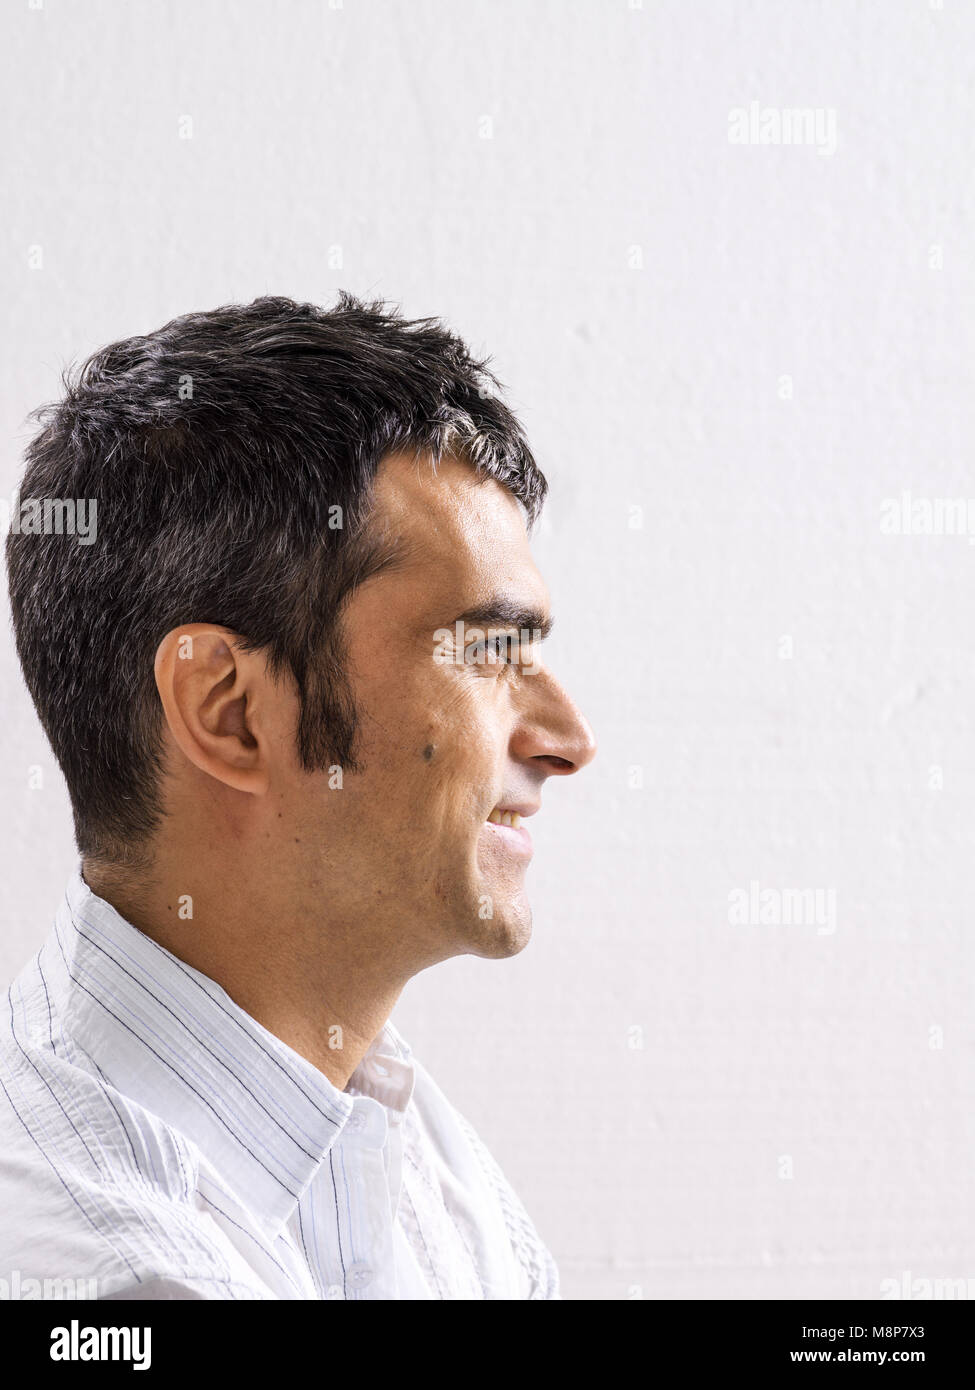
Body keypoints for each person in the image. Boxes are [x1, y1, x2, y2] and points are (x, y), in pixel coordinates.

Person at [0, 293, 596, 1300]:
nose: (567, 742)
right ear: (230, 711)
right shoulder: (113, 1273)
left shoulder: (419, 1153)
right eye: (489, 649)